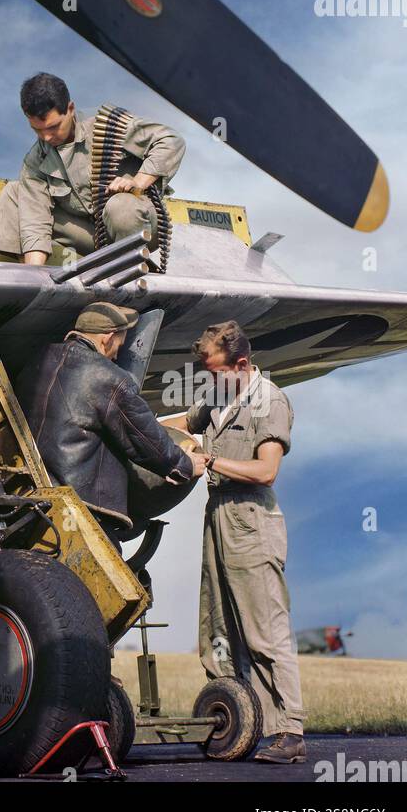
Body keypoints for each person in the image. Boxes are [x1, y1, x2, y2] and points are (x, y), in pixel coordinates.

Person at [163, 319, 306, 764]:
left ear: (242, 364)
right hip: (218, 515)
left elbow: (267, 471)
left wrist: (211, 460)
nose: (209, 380)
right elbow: (180, 422)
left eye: (217, 372)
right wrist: (129, 424)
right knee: (218, 627)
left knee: (264, 631)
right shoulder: (219, 395)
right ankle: (239, 718)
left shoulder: (271, 402)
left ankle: (290, 731)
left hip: (251, 517)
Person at [15, 302, 206, 550]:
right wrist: (184, 464)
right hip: (81, 511)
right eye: (119, 343)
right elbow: (144, 437)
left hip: (30, 500)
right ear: (107, 338)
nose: (117, 354)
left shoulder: (39, 358)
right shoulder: (109, 378)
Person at [0, 73, 185, 263]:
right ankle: (24, 281)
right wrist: (35, 278)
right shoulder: (36, 161)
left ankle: (129, 273)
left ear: (70, 108)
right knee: (14, 193)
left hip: (138, 224)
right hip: (95, 238)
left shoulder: (106, 124)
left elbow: (170, 141)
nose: (47, 138)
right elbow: (34, 222)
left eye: (53, 127)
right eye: (37, 130)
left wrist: (138, 182)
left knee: (120, 206)